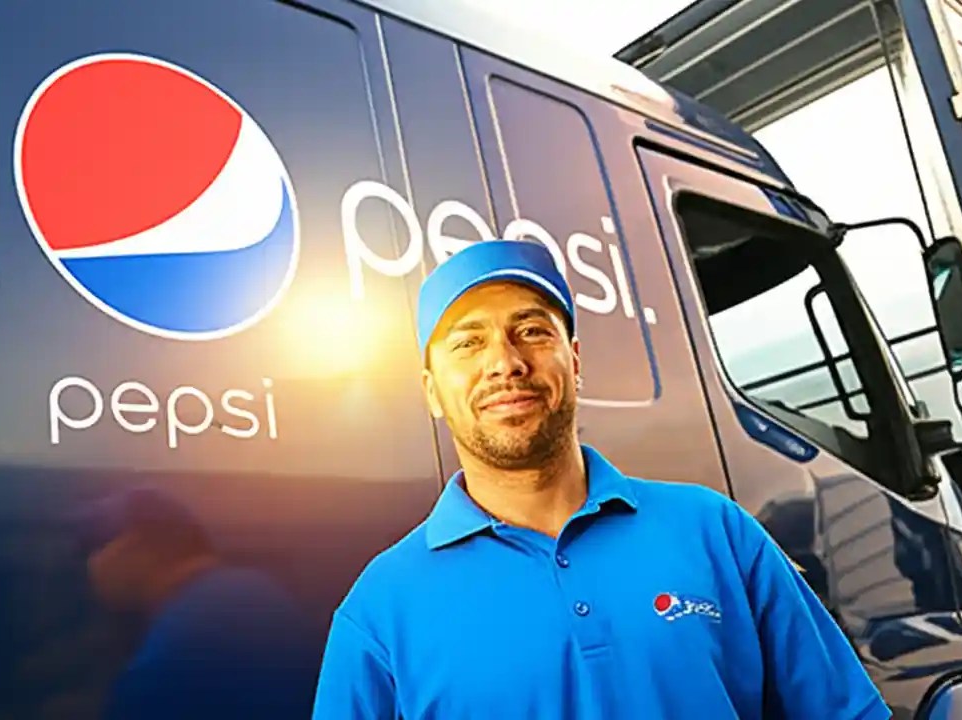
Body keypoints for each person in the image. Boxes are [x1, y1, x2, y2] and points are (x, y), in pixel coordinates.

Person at [310, 238, 892, 719]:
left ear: (576, 360)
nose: (505, 362)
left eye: (532, 331)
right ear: (433, 391)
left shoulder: (716, 533)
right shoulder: (380, 610)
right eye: (467, 342)